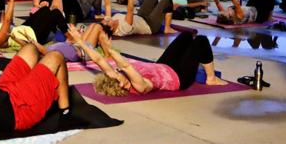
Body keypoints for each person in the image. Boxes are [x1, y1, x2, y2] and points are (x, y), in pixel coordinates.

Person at [71, 27, 224, 96]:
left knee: (185, 36)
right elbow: (126, 64)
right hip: (178, 77)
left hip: (163, 65)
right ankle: (211, 78)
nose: (116, 72)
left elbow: (98, 59)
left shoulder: (117, 77)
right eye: (118, 76)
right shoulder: (139, 86)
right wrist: (109, 49)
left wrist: (79, 40)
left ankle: (208, 72)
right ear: (122, 84)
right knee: (201, 41)